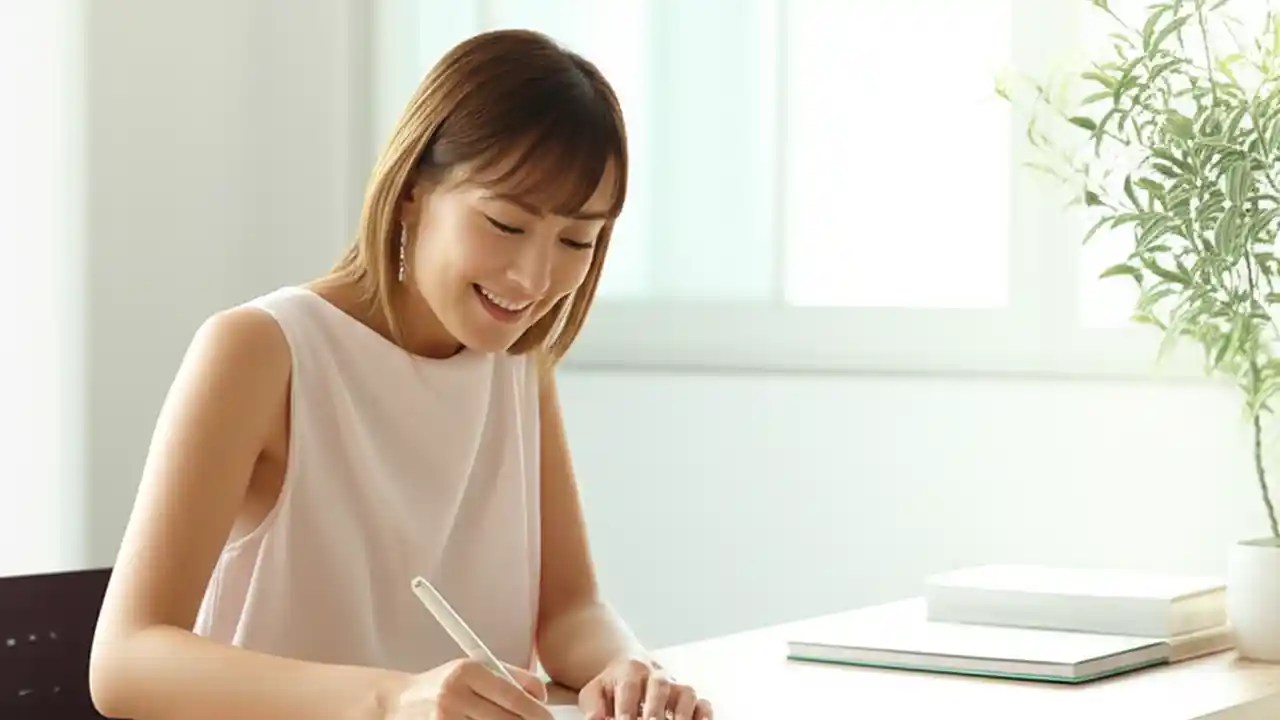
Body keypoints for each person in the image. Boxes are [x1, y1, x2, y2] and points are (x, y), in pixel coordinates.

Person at [88, 28, 713, 720]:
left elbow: (569, 610)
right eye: (506, 225)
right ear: (414, 188)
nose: (534, 278)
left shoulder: (514, 365)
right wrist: (392, 698)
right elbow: (125, 661)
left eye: (576, 241)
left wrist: (628, 668)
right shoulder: (260, 351)